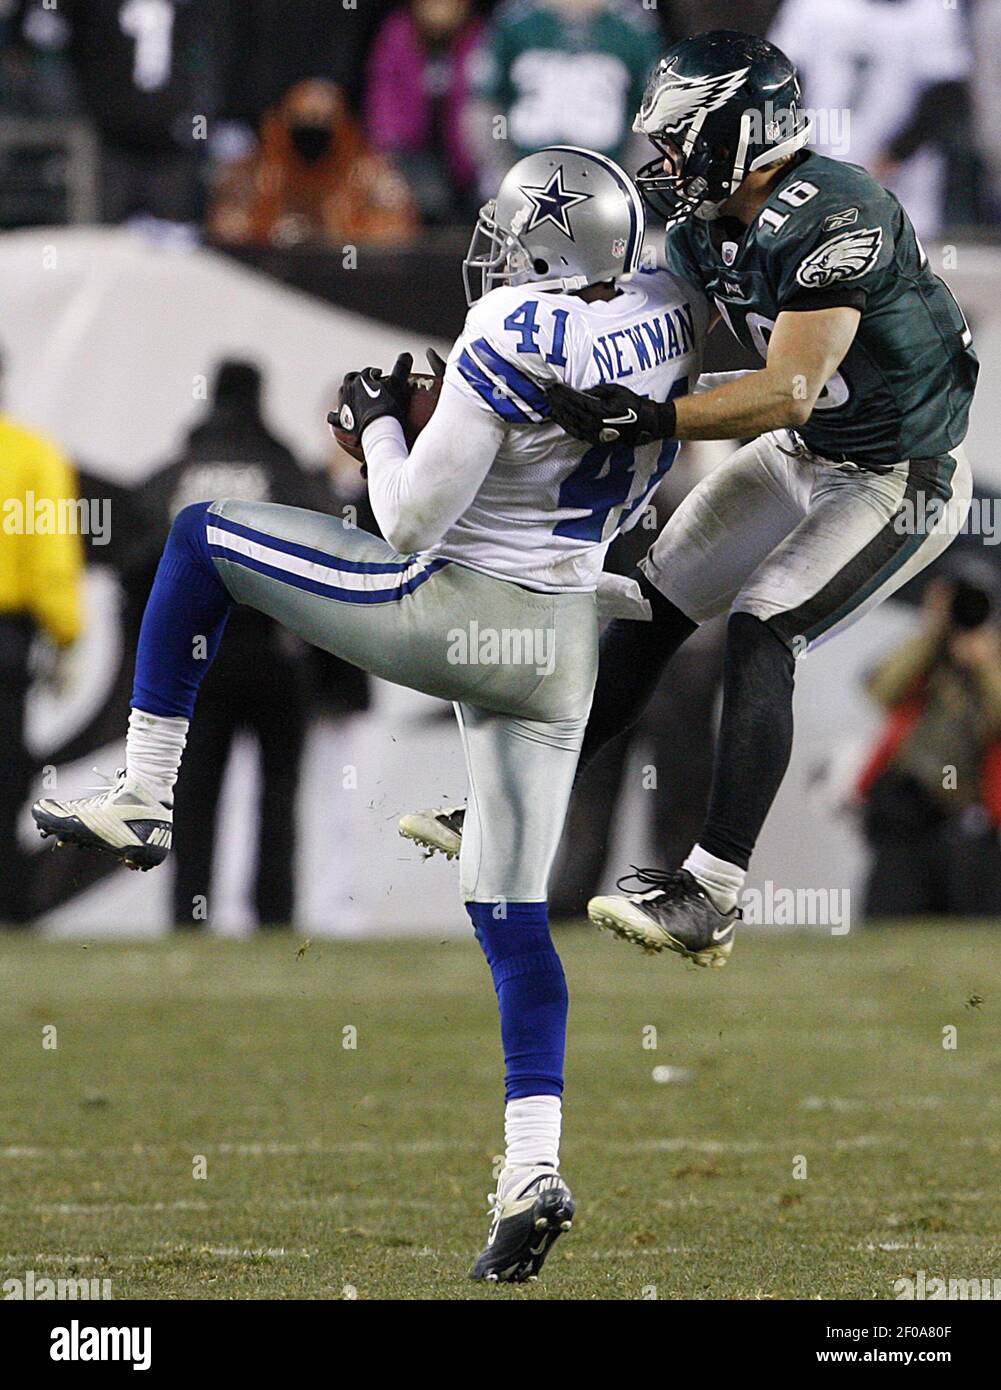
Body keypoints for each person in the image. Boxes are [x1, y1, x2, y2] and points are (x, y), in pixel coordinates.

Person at [31, 145, 709, 1283]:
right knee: (509, 917)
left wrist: (378, 425)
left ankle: (146, 791)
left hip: (454, 612)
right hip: (560, 650)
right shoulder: (670, 312)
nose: (490, 249)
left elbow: (404, 522)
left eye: (507, 232)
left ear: (543, 243)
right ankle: (529, 1167)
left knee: (202, 540)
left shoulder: (509, 328)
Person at [403, 30, 977, 968]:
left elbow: (788, 385)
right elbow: (647, 335)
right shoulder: (703, 229)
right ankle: (512, 806)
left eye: (681, 139)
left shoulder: (837, 213)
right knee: (649, 605)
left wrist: (647, 420)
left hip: (895, 477)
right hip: (804, 449)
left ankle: (710, 891)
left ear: (743, 133)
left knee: (762, 626)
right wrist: (529, 373)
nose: (667, 162)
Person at [125, 360, 325, 931]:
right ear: (260, 397)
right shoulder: (284, 472)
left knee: (190, 796)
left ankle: (190, 914)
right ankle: (274, 918)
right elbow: (326, 556)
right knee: (278, 793)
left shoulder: (171, 476)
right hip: (274, 655)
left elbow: (132, 566)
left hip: (194, 660)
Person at [857, 568, 1001, 918]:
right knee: (893, 908)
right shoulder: (925, 652)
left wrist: (984, 665)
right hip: (907, 804)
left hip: (971, 811)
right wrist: (931, 632)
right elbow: (881, 692)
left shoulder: (991, 657)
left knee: (970, 916)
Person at [768, 0, 972, 239]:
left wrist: (896, 154)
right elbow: (780, 80)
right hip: (816, 181)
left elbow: (947, 93)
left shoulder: (931, 9)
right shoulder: (810, 6)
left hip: (900, 190)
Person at [0, 369, 84, 926]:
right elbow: (51, 552)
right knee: (6, 776)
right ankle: (10, 905)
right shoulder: (30, 454)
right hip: (7, 637)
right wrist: (65, 632)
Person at [207, 78, 418, 248]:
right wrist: (269, 230)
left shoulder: (369, 173)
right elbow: (227, 227)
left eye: (323, 122)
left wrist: (338, 236)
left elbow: (397, 233)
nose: (312, 133)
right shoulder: (258, 171)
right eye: (302, 122)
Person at [364, 0, 486, 223]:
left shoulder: (478, 38)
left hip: (467, 155)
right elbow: (383, 98)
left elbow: (483, 102)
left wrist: (477, 158)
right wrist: (390, 152)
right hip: (409, 152)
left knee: (484, 201)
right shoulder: (398, 35)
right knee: (429, 198)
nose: (439, 10)